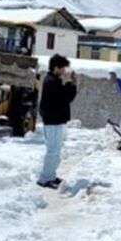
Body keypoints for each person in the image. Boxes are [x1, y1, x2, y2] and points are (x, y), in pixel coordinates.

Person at [37, 54, 77, 189]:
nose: (64, 71)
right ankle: (45, 179)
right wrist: (71, 84)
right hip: (52, 120)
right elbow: (64, 98)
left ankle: (51, 176)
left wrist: (69, 84)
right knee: (52, 151)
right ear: (56, 68)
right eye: (63, 68)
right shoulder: (51, 81)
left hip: (56, 120)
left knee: (56, 150)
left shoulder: (54, 80)